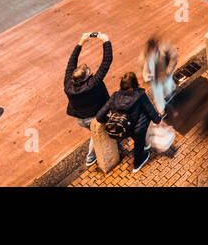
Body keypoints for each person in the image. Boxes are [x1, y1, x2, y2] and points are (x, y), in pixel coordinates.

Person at [96, 71, 165, 173]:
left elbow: (99, 116)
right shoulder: (139, 95)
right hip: (137, 127)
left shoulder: (115, 96)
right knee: (139, 141)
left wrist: (110, 120)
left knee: (137, 135)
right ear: (134, 84)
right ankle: (138, 163)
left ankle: (143, 144)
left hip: (124, 129)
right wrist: (158, 120)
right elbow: (150, 110)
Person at [65, 32, 112, 168]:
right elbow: (106, 62)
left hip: (79, 118)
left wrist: (81, 42)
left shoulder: (68, 84)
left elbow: (71, 62)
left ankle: (95, 152)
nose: (91, 72)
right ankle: (90, 158)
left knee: (94, 133)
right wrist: (106, 41)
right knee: (95, 134)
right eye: (89, 72)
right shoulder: (92, 84)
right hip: (93, 117)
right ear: (85, 77)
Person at [141, 37, 178, 113]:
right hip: (155, 79)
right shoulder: (146, 55)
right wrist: (146, 78)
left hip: (165, 74)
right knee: (158, 94)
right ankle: (161, 110)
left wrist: (169, 70)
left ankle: (170, 93)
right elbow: (143, 67)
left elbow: (173, 57)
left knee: (168, 88)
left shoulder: (164, 49)